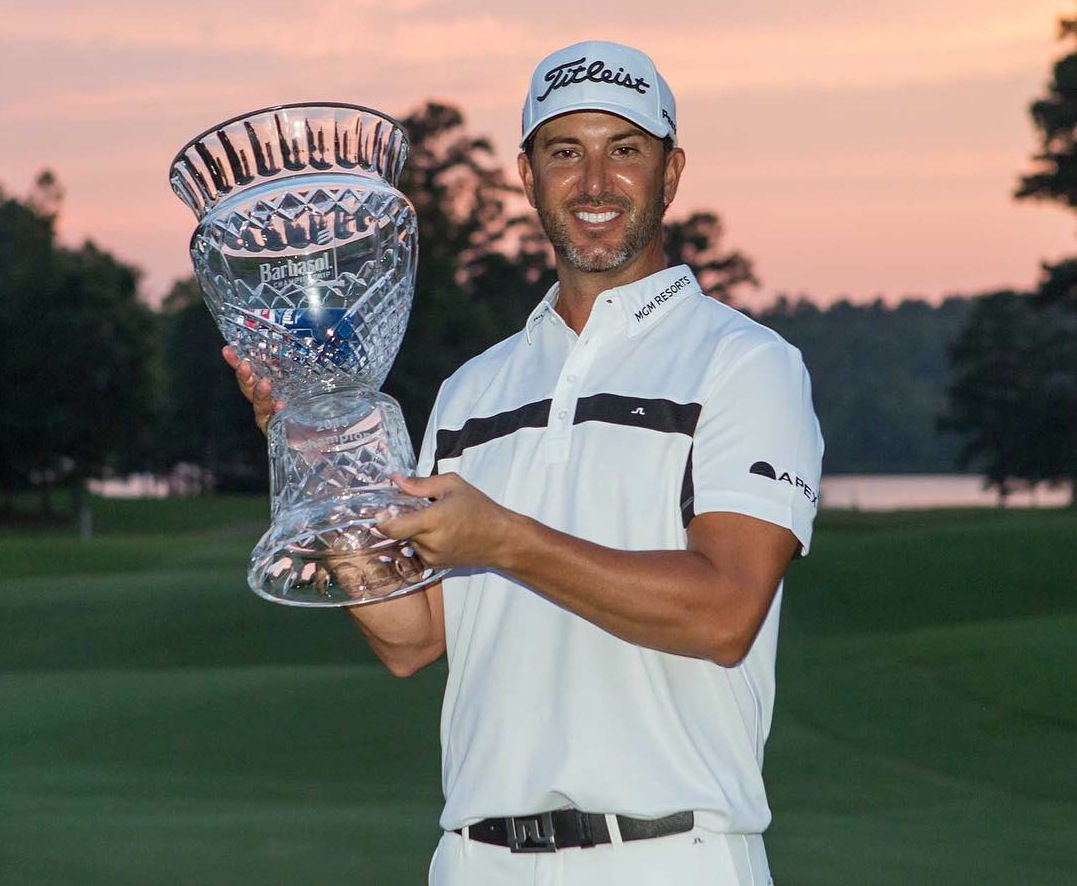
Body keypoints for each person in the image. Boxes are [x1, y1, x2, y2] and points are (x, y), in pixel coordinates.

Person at [227, 39, 823, 886]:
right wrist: (316, 450)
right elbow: (412, 636)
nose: (594, 184)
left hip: (668, 858)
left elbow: (725, 612)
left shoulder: (743, 363)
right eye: (563, 152)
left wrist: (503, 539)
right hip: (473, 859)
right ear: (526, 175)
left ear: (671, 171)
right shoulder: (474, 389)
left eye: (624, 151)